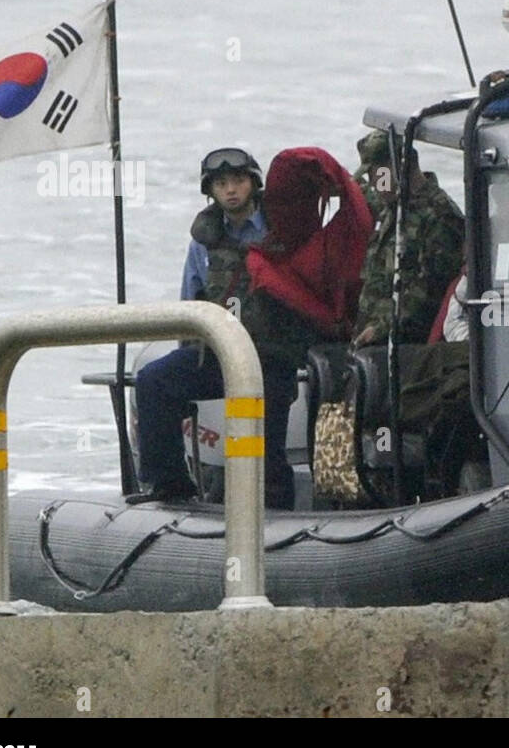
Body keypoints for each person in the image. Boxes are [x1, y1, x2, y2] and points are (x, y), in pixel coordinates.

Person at [132, 147, 370, 510]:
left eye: (238, 181)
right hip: (218, 356)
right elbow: (190, 301)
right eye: (222, 183)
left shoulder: (285, 227)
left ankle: (277, 512)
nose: (231, 190)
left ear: (254, 183)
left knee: (266, 451)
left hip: (271, 359)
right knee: (153, 381)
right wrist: (190, 349)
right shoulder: (203, 242)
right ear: (211, 191)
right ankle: (170, 486)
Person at [351, 130, 465, 347]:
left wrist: (381, 329)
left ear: (397, 168)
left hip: (405, 349)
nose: (374, 183)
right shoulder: (394, 207)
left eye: (376, 175)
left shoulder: (440, 217)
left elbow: (431, 293)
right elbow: (367, 194)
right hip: (371, 343)